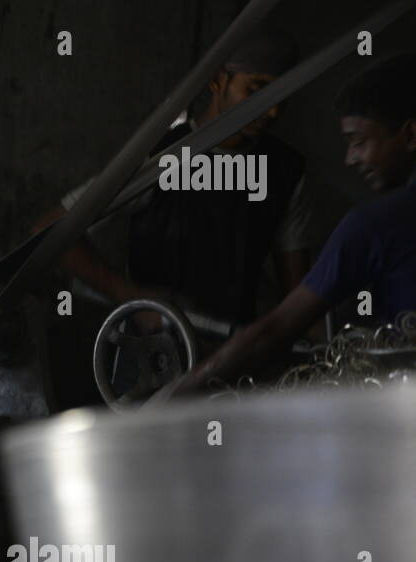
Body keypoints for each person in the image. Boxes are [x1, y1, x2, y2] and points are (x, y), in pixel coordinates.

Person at [166, 54, 416, 397]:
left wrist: (170, 399)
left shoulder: (373, 226)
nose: (350, 159)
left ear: (410, 134)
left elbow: (273, 332)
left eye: (358, 142)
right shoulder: (168, 157)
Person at [33, 28, 314, 327]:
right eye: (256, 90)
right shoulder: (161, 159)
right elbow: (50, 229)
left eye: (282, 97)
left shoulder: (286, 171)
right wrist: (130, 296)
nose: (272, 111)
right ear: (217, 80)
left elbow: (298, 298)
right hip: (152, 354)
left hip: (237, 358)